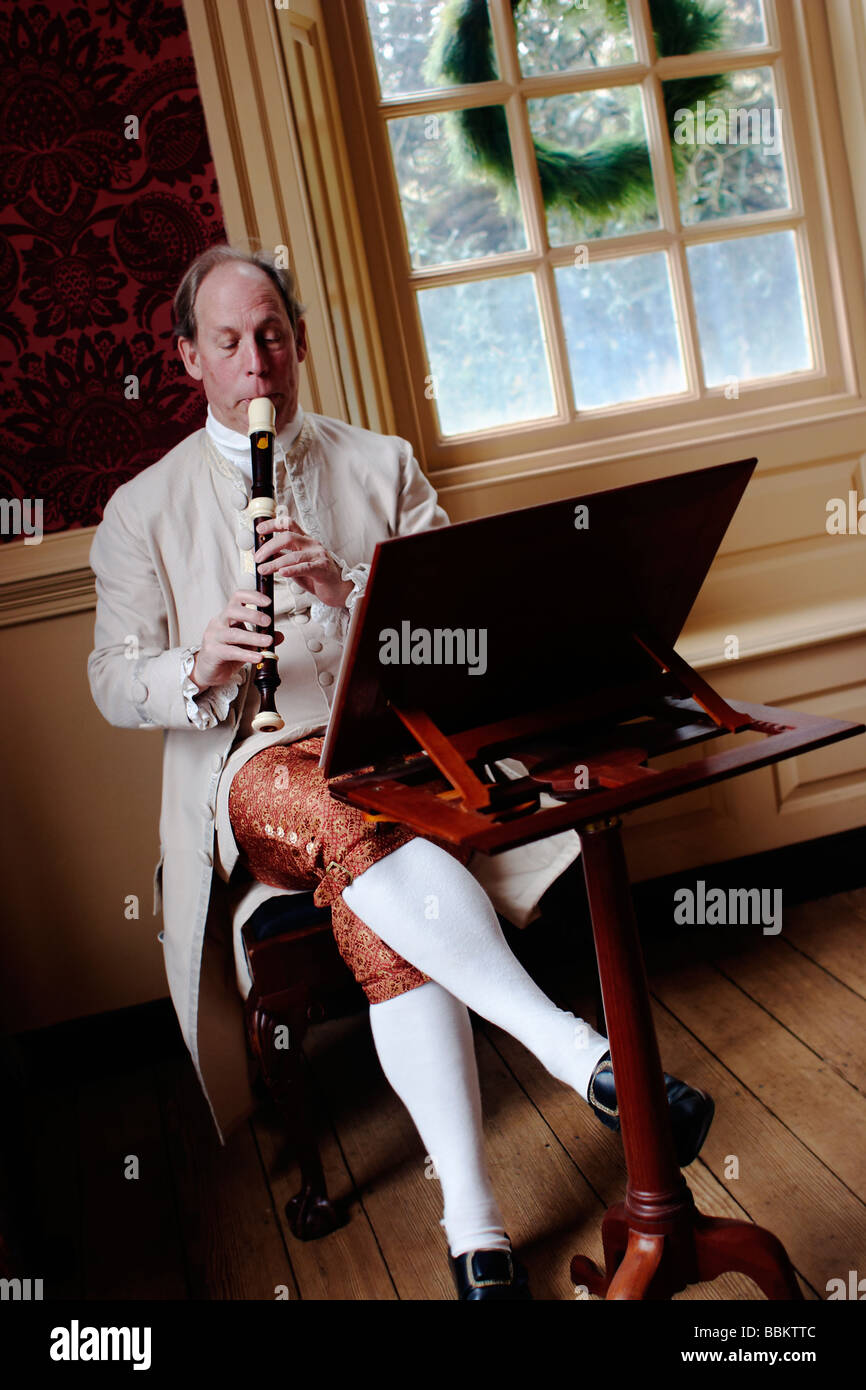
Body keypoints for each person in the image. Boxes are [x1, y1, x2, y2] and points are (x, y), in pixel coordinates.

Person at [88, 244, 714, 1301]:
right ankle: (584, 1060)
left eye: (274, 337)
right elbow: (110, 682)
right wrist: (198, 661)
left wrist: (340, 588)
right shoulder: (140, 510)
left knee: (374, 908)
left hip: (385, 766)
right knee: (346, 824)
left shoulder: (379, 464)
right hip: (250, 772)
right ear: (190, 357)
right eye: (230, 342)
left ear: (299, 343)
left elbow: (471, 643)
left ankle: (475, 1242)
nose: (258, 364)